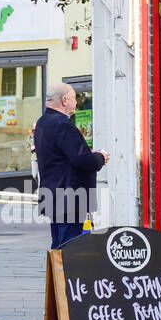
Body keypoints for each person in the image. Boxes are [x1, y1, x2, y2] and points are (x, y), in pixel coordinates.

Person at [34, 82, 109, 249]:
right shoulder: (62, 125)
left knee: (58, 246)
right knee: (69, 248)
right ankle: (64, 276)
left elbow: (63, 155)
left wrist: (87, 152)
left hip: (54, 195)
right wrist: (100, 157)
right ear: (65, 100)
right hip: (70, 197)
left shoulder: (42, 122)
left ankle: (56, 275)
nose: (77, 103)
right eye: (75, 98)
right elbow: (82, 161)